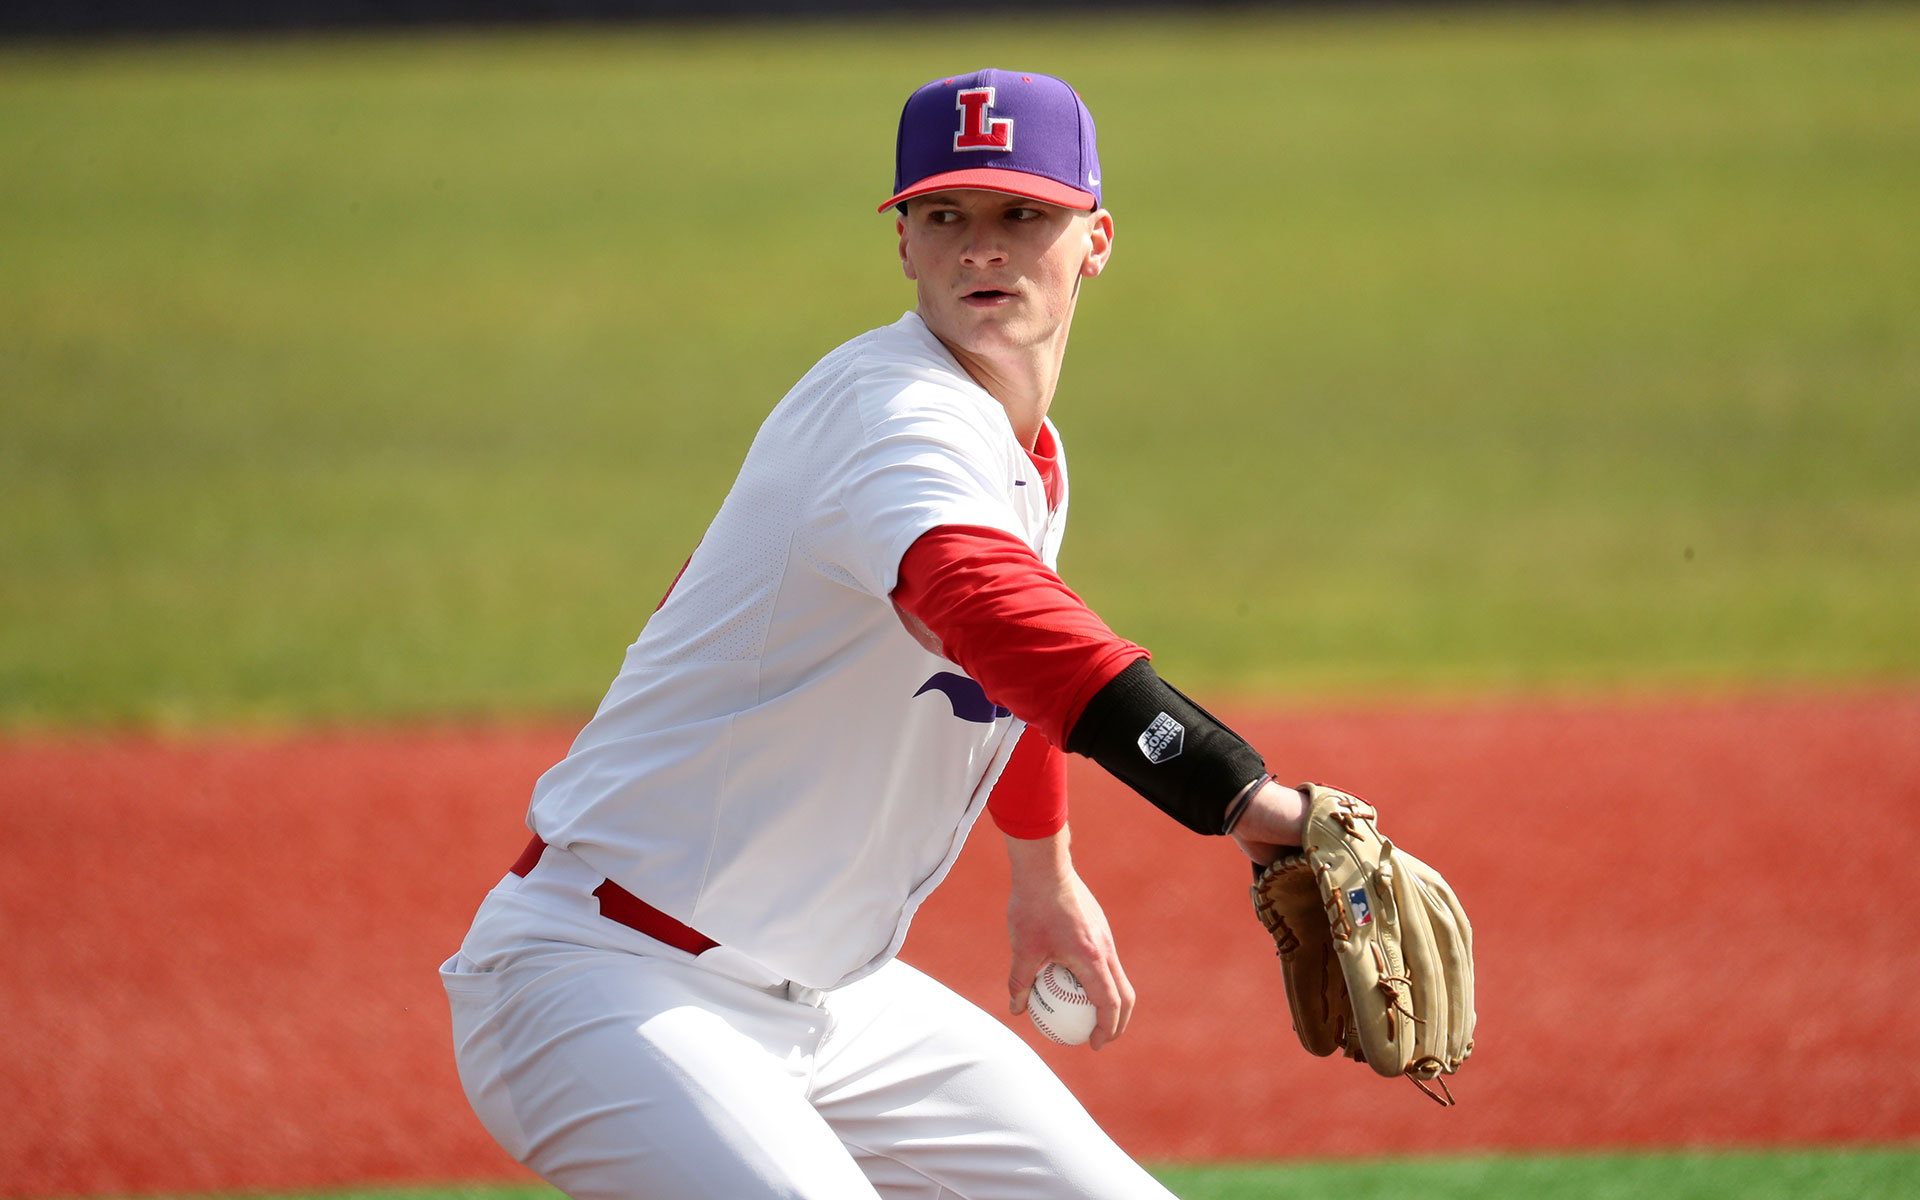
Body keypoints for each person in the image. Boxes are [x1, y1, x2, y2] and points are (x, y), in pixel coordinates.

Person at [440, 68, 1311, 1200]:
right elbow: (987, 604)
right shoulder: (893, 417)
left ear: (1095, 240)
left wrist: (1042, 878)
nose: (981, 249)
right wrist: (1240, 795)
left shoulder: (1018, 448)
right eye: (945, 216)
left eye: (1022, 217)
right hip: (613, 982)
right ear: (904, 243)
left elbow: (1006, 668)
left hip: (840, 1002)